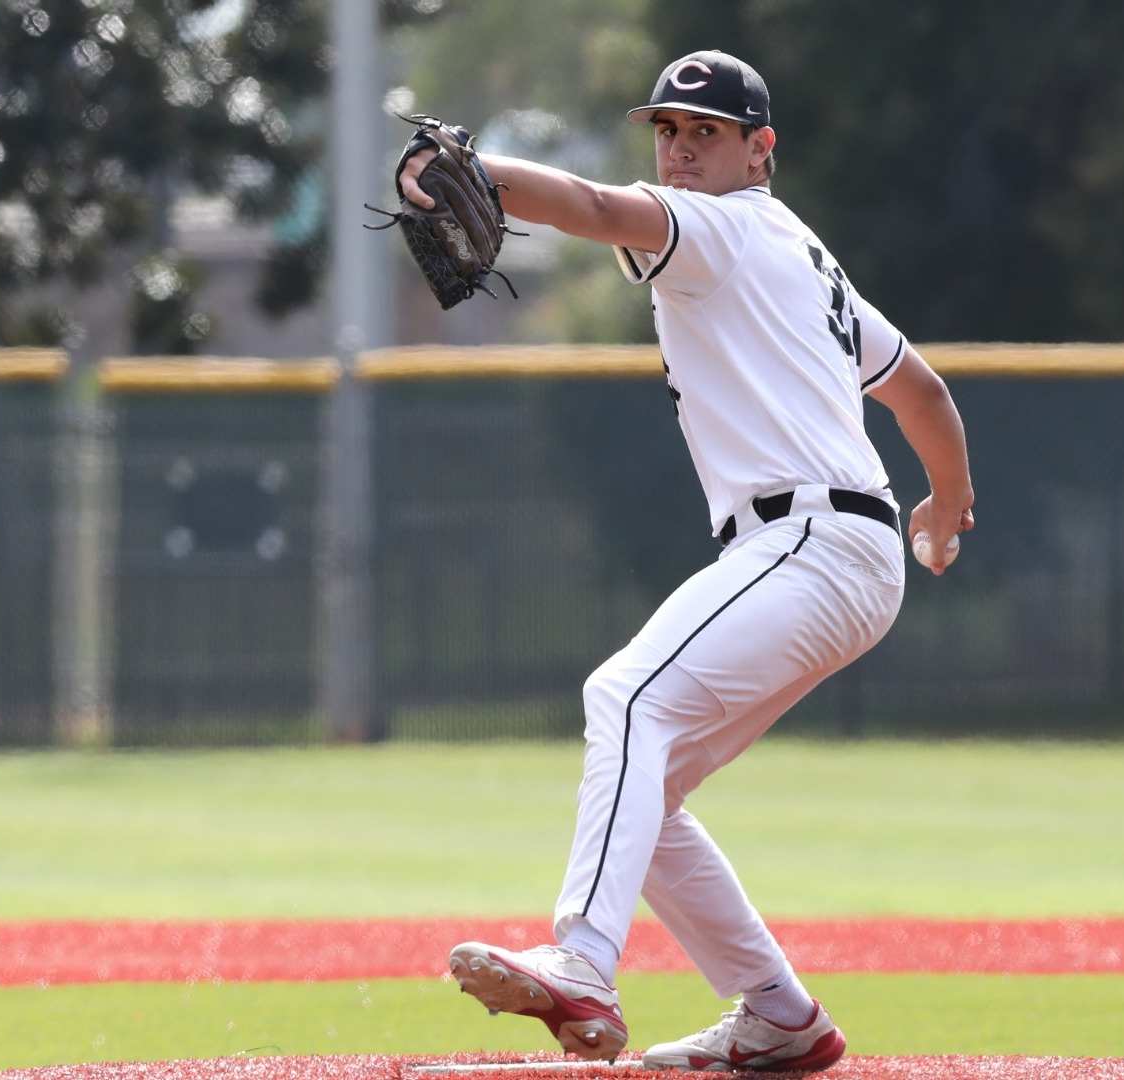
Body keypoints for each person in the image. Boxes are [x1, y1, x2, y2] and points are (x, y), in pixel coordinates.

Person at [402, 49, 974, 1072]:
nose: (678, 151)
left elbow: (590, 204)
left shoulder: (716, 223)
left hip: (811, 542)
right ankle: (779, 1016)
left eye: (703, 132)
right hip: (846, 548)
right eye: (666, 131)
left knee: (625, 700)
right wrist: (948, 500)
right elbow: (922, 392)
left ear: (761, 150)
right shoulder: (804, 254)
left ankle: (581, 960)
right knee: (644, 783)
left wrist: (482, 171)